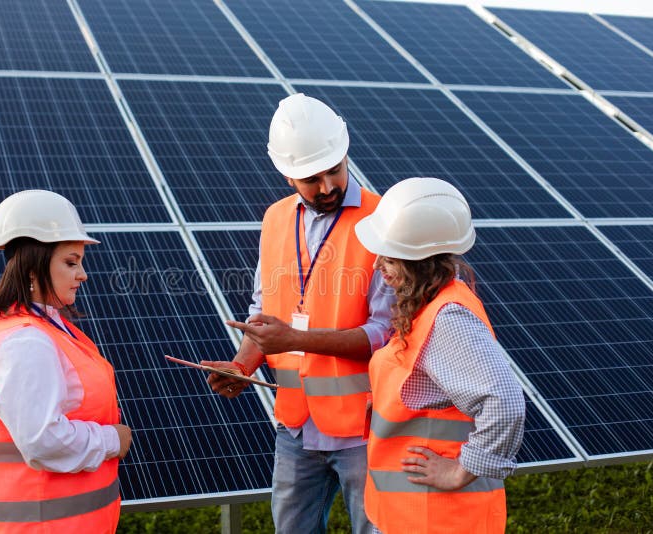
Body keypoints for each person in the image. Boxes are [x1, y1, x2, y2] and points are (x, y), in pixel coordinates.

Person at [201, 93, 395, 534]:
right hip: (295, 425)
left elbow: (385, 333)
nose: (327, 186)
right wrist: (242, 364)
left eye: (335, 170)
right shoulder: (274, 220)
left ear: (346, 154)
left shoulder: (383, 219)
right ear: (287, 174)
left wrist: (297, 340)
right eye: (312, 177)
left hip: (365, 427)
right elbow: (263, 312)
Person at [354, 177, 526, 533]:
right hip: (412, 512)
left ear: (418, 260)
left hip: (439, 517)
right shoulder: (430, 305)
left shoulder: (448, 318)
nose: (377, 267)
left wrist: (460, 471)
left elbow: (506, 402)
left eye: (388, 258)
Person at [0, 190, 132, 533]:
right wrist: (114, 439)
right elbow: (43, 441)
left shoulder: (31, 327)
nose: (82, 274)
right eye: (71, 262)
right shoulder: (26, 340)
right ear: (32, 267)